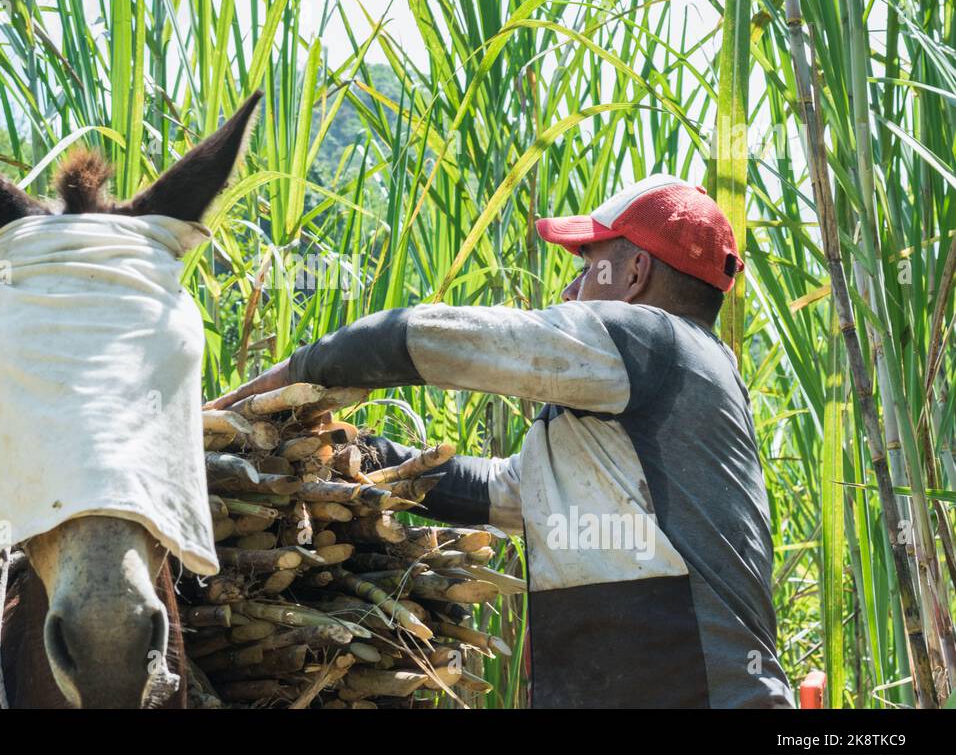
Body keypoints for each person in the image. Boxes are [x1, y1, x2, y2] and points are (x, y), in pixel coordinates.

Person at [210, 173, 795, 708]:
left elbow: (437, 337)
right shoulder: (690, 379)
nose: (570, 291)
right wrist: (357, 454)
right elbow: (508, 492)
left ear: (635, 273)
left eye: (587, 266)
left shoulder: (647, 336)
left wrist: (285, 380)